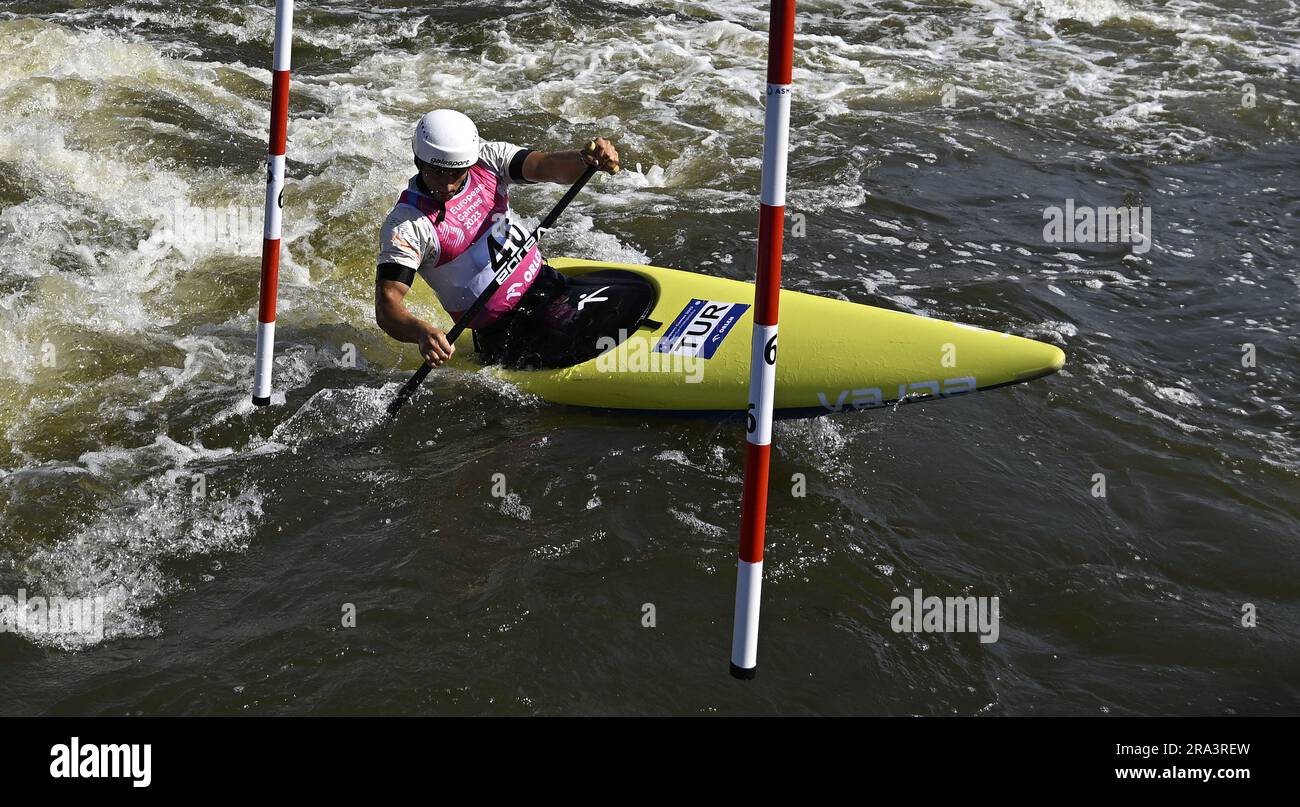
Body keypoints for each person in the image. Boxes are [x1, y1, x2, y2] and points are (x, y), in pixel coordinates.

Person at [374, 109, 620, 370]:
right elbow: (387, 306)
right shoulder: (406, 226)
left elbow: (547, 166)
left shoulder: (487, 160)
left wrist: (586, 160)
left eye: (455, 174)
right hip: (506, 333)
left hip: (551, 286)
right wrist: (420, 332)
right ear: (418, 161)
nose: (446, 185)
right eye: (437, 172)